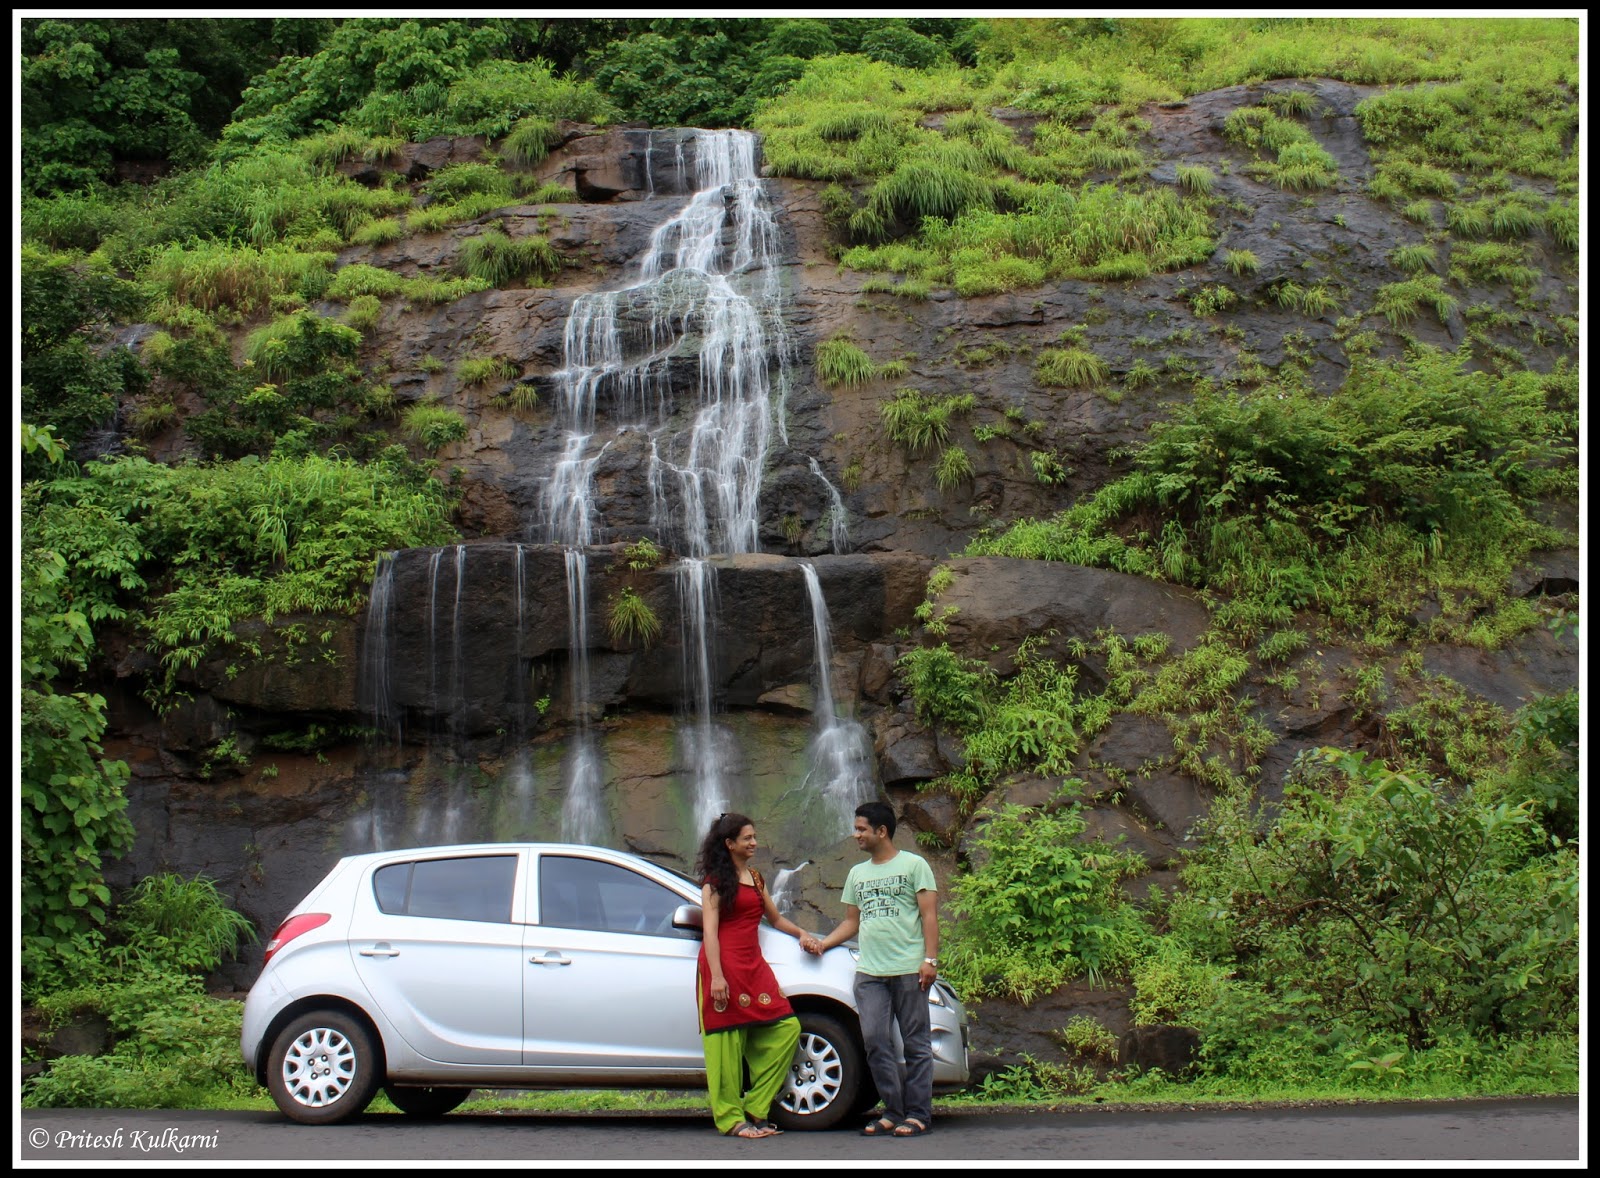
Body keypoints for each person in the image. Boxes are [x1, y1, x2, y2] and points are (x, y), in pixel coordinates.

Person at [805, 800, 939, 1138]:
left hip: (908, 969)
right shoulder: (857, 873)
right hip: (869, 973)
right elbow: (852, 922)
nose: (856, 835)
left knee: (916, 1043)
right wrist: (824, 944)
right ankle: (893, 1111)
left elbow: (929, 916)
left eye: (861, 829)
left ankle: (918, 1114)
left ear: (881, 831)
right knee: (876, 1041)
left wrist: (930, 960)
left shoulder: (915, 865)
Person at [695, 812, 809, 1139]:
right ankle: (731, 1120)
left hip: (752, 964)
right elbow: (710, 932)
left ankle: (756, 1107)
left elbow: (775, 919)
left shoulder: (756, 877)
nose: (754, 842)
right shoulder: (714, 882)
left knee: (787, 1027)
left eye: (754, 836)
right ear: (729, 844)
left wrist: (802, 934)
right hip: (723, 964)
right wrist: (717, 977)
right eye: (747, 838)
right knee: (726, 1045)